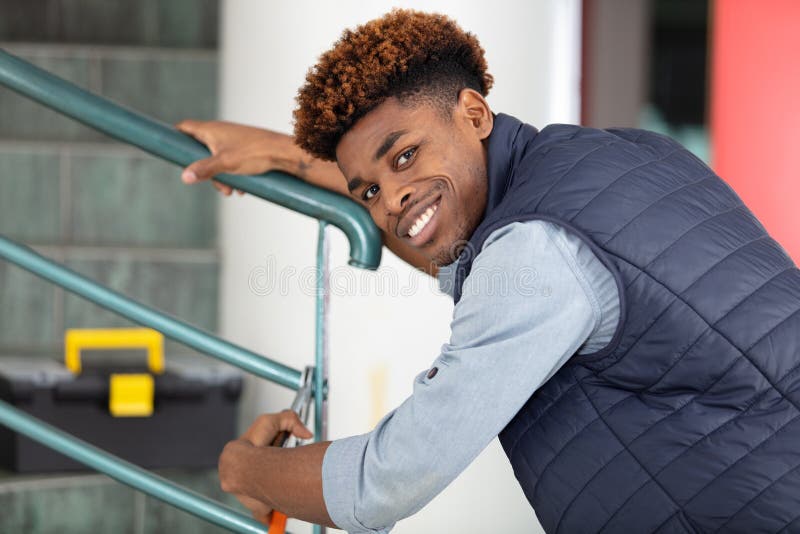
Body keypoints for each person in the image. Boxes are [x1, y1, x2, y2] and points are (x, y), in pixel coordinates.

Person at [177, 9, 800, 533]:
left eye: (405, 155)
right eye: (367, 192)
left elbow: (383, 483)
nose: (390, 201)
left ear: (473, 115)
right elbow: (480, 266)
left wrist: (241, 468)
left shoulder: (535, 250)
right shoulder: (617, 155)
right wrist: (282, 153)